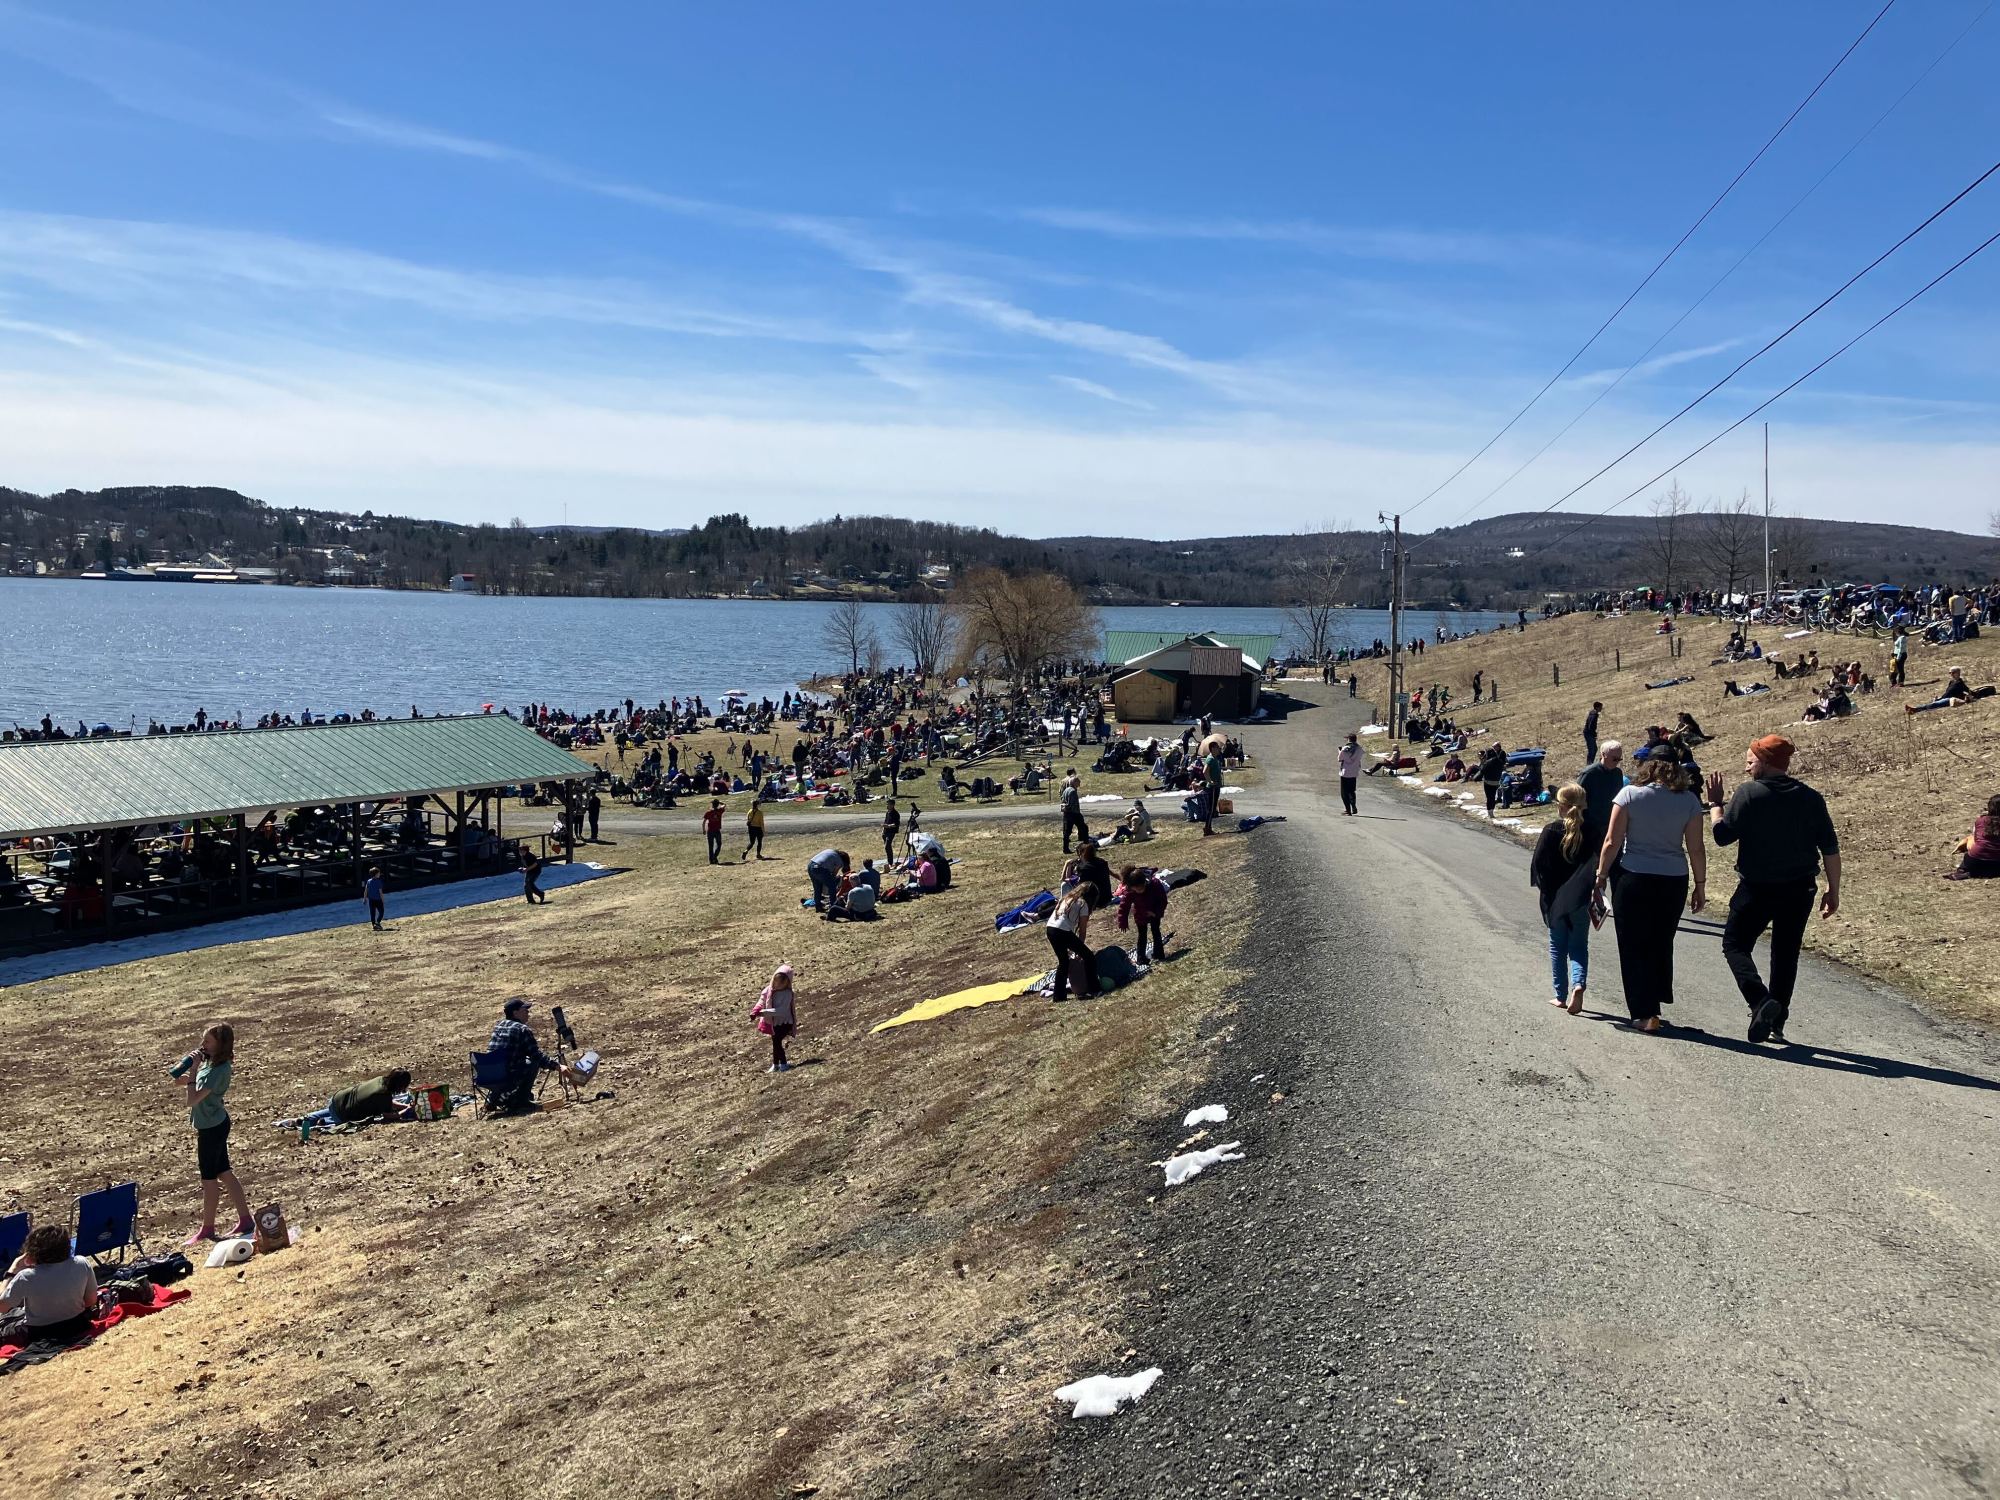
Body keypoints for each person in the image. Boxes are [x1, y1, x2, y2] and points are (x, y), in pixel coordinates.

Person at [1705, 735, 1841, 1044]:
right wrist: (1833, 890)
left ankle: (1760, 1000)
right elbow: (1830, 849)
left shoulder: (1749, 794)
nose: (1746, 766)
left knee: (1735, 945)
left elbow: (1722, 836)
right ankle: (1777, 1020)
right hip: (1800, 889)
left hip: (1757, 888)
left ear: (1765, 763)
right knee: (1785, 952)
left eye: (1750, 761)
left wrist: (1715, 804)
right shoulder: (1811, 798)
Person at [1592, 753, 1706, 1032]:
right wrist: (1700, 885)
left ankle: (1643, 1012)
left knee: (1632, 944)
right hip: (1673, 878)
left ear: (1648, 768)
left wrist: (1601, 875)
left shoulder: (1629, 794)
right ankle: (1654, 1001)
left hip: (1635, 876)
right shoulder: (1689, 800)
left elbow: (1611, 841)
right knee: (1660, 941)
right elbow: (1696, 847)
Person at [175, 1023, 251, 1245]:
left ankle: (207, 1228)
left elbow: (192, 1100)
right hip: (211, 1124)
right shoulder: (210, 1064)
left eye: (207, 1041)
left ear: (220, 1045)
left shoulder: (220, 1070)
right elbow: (188, 1085)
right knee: (225, 1173)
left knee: (209, 1180)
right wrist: (186, 1073)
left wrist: (192, 1073)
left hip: (212, 1129)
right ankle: (246, 1219)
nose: (202, 1045)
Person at [1531, 784, 1595, 1014]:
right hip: (1580, 899)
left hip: (1557, 900)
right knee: (1579, 946)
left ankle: (1560, 995)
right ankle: (1579, 984)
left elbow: (1539, 867)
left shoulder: (1551, 831)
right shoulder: (1592, 832)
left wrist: (1547, 892)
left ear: (1562, 806)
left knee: (1558, 948)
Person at [0, 1225, 98, 1345]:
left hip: (40, 1334)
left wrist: (11, 1272)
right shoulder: (81, 1263)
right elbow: (91, 1300)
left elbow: (2, 1307)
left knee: (4, 1325)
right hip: (78, 1325)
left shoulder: (26, 1277)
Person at [488, 997, 562, 1112]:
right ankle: (522, 1100)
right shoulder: (522, 1029)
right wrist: (557, 1066)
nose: (528, 1013)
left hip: (488, 1074)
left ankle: (494, 1099)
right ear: (515, 1013)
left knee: (514, 1062)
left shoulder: (499, 1025)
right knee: (532, 1062)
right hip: (508, 1076)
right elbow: (536, 1055)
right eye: (525, 1010)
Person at [1045, 887, 1093, 1003]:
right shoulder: (1083, 904)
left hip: (1050, 928)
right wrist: (1080, 950)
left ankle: (1059, 996)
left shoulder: (1066, 898)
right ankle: (1093, 988)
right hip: (1062, 931)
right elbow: (1082, 931)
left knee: (1064, 962)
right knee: (1089, 957)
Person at [1114, 865, 1170, 965]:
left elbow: (1163, 900)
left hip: (1154, 913)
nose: (1140, 891)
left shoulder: (1155, 884)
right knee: (1142, 936)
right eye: (1137, 889)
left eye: (1141, 888)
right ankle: (1141, 958)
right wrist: (1122, 921)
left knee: (1156, 932)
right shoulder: (1129, 891)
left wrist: (1156, 913)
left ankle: (1159, 953)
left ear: (1145, 882)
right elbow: (1124, 906)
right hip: (1140, 915)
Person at [750, 963, 798, 1072]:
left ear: (787, 982)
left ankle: (783, 1064)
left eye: (781, 983)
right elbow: (762, 1000)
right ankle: (776, 1064)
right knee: (775, 1042)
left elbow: (781, 1011)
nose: (777, 985)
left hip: (785, 1022)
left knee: (776, 1042)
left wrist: (763, 1013)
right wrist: (756, 1010)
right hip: (774, 1023)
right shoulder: (769, 990)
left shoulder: (787, 994)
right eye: (776, 982)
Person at [1578, 741, 1624, 847]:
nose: (1617, 762)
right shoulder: (1589, 774)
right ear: (1603, 755)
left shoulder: (1618, 773)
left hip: (1610, 824)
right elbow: (1578, 798)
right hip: (1590, 826)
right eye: (1614, 759)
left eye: (1619, 759)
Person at [328, 1069, 415, 1124]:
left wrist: (405, 1106)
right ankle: (324, 1123)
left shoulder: (381, 1079)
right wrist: (406, 1110)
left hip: (337, 1099)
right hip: (341, 1115)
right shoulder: (383, 1094)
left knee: (331, 1110)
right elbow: (388, 1116)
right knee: (335, 1116)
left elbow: (387, 1103)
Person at [1947, 794, 2000, 880]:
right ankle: (1979, 873)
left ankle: (1964, 871)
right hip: (1997, 864)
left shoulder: (1980, 820)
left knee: (1969, 856)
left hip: (1975, 860)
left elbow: (1976, 839)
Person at [1905, 667, 1973, 715]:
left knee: (1934, 704)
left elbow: (1969, 691)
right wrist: (1940, 697)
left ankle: (1915, 709)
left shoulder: (1960, 683)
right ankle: (1915, 709)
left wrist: (1969, 697)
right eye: (1950, 673)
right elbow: (1947, 692)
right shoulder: (1952, 681)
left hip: (1950, 700)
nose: (1951, 674)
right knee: (1933, 704)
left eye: (1953, 673)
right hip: (1945, 698)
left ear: (1958, 673)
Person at [806, 848, 849, 917]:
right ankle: (833, 906)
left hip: (810, 866)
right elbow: (834, 873)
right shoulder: (840, 861)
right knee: (832, 887)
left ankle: (818, 907)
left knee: (817, 888)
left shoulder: (830, 851)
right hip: (819, 868)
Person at [1060, 772, 1089, 854]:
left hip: (1067, 814)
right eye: (1078, 782)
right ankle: (1086, 846)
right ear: (1074, 782)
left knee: (1067, 832)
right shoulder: (1072, 791)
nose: (1079, 784)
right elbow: (1071, 804)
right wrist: (1075, 812)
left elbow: (1063, 800)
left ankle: (1065, 848)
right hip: (1073, 814)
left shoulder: (1066, 790)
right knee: (1084, 828)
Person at [1478, 742, 1507, 816]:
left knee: (1489, 797)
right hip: (1496, 782)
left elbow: (1482, 771)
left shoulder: (1487, 762)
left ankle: (1489, 812)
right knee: (1493, 796)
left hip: (1488, 782)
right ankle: (1492, 811)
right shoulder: (1500, 762)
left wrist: (1482, 762)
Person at [1337, 732, 1362, 816]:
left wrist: (1339, 751)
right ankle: (1353, 806)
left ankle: (1348, 810)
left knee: (1344, 792)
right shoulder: (1359, 749)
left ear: (1349, 739)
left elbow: (1340, 759)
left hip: (1345, 772)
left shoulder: (1345, 748)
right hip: (1354, 771)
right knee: (1351, 791)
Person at [702, 799, 725, 864]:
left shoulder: (709, 812)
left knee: (710, 846)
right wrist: (720, 802)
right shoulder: (720, 811)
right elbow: (724, 805)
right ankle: (715, 856)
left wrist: (704, 829)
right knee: (719, 844)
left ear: (712, 805)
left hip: (710, 831)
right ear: (717, 805)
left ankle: (711, 860)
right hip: (717, 830)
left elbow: (704, 822)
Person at [743, 797, 767, 861]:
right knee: (759, 842)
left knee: (752, 842)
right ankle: (758, 854)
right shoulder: (760, 813)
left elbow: (748, 819)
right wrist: (763, 831)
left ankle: (746, 850)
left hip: (751, 828)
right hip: (758, 828)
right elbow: (761, 823)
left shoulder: (749, 811)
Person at [363, 865, 386, 931]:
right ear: (375, 874)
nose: (379, 874)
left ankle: (374, 925)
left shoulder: (368, 881)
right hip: (378, 900)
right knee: (381, 912)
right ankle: (377, 922)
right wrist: (383, 900)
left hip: (371, 900)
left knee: (372, 913)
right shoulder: (379, 882)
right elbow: (380, 893)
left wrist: (364, 899)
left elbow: (366, 891)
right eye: (378, 873)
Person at [881, 798, 901, 864]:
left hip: (891, 832)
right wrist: (883, 829)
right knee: (887, 848)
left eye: (888, 804)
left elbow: (896, 824)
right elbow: (885, 821)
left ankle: (890, 862)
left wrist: (888, 826)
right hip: (885, 832)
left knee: (887, 846)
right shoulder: (887, 813)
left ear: (892, 805)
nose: (887, 805)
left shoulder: (895, 813)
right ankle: (889, 860)